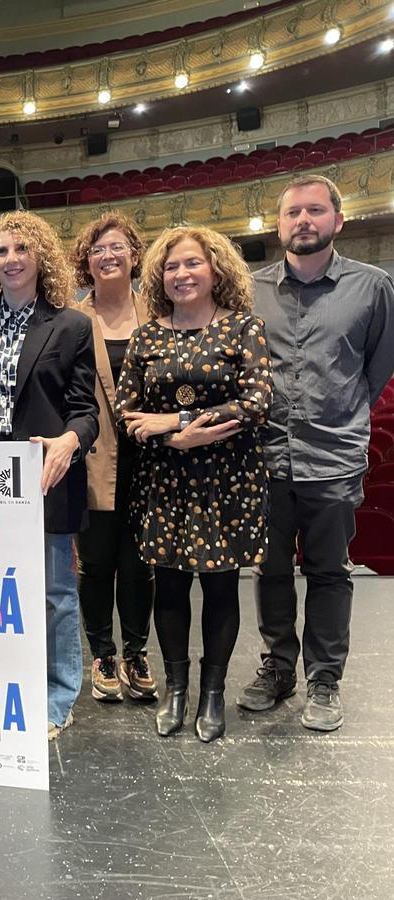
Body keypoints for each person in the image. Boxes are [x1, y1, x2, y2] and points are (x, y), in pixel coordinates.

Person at [241, 174, 394, 731]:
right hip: (266, 456)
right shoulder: (253, 289)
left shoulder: (372, 287)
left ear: (337, 220)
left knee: (329, 573)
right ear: (277, 224)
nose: (302, 220)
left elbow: (377, 369)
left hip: (332, 457)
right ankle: (279, 669)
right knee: (272, 570)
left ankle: (324, 681)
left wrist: (343, 416)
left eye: (314, 211)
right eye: (292, 213)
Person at [116, 226, 272, 743]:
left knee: (222, 586)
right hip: (165, 480)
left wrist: (177, 422)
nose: (181, 274)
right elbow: (126, 412)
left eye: (192, 264)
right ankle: (177, 690)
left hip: (226, 482)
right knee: (172, 586)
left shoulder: (244, 329)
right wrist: (172, 438)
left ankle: (212, 694)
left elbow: (254, 405)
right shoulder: (147, 336)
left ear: (215, 271)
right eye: (172, 267)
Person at [0, 211, 99, 741]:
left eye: (21, 249)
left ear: (41, 257)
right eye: (1, 252)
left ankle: (58, 698)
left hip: (44, 477)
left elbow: (87, 411)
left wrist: (70, 440)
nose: (11, 259)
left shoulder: (72, 325)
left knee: (55, 592)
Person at [69, 213, 157, 704]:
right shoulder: (74, 319)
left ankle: (137, 652)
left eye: (117, 246)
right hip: (97, 460)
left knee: (139, 564)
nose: (108, 255)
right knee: (97, 564)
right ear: (87, 261)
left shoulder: (159, 312)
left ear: (134, 254)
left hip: (150, 462)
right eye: (98, 248)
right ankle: (103, 652)